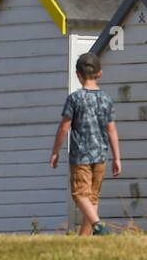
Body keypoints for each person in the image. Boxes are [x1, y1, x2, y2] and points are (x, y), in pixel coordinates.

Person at [49, 52, 121, 236]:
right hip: (101, 156)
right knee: (92, 198)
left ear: (77, 74)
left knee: (80, 195)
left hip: (81, 156)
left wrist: (55, 151)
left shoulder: (75, 99)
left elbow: (64, 127)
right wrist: (117, 158)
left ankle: (98, 226)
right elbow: (112, 130)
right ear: (100, 74)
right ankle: (84, 238)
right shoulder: (106, 99)